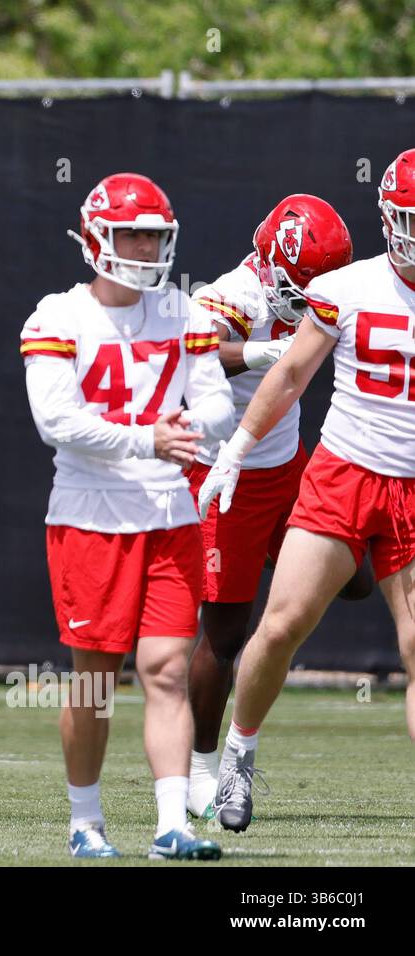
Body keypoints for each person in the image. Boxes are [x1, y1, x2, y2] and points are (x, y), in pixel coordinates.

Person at [199, 148, 415, 832]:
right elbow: (282, 373)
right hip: (335, 474)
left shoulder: (335, 283)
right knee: (271, 624)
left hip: (388, 484)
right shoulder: (342, 286)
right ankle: (228, 761)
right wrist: (233, 449)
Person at [21, 172, 234, 858]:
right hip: (92, 517)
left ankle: (172, 824)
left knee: (168, 670)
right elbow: (55, 420)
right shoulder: (58, 315)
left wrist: (188, 425)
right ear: (94, 239)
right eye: (130, 233)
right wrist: (149, 437)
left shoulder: (186, 314)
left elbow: (217, 406)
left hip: (170, 514)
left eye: (153, 234)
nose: (143, 247)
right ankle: (85, 821)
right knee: (93, 678)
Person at [184, 194, 369, 819]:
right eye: (304, 282)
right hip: (226, 476)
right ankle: (201, 769)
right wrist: (268, 354)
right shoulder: (234, 292)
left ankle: (280, 561)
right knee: (227, 633)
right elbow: (195, 348)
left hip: (287, 467)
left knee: (357, 580)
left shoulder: (326, 287)